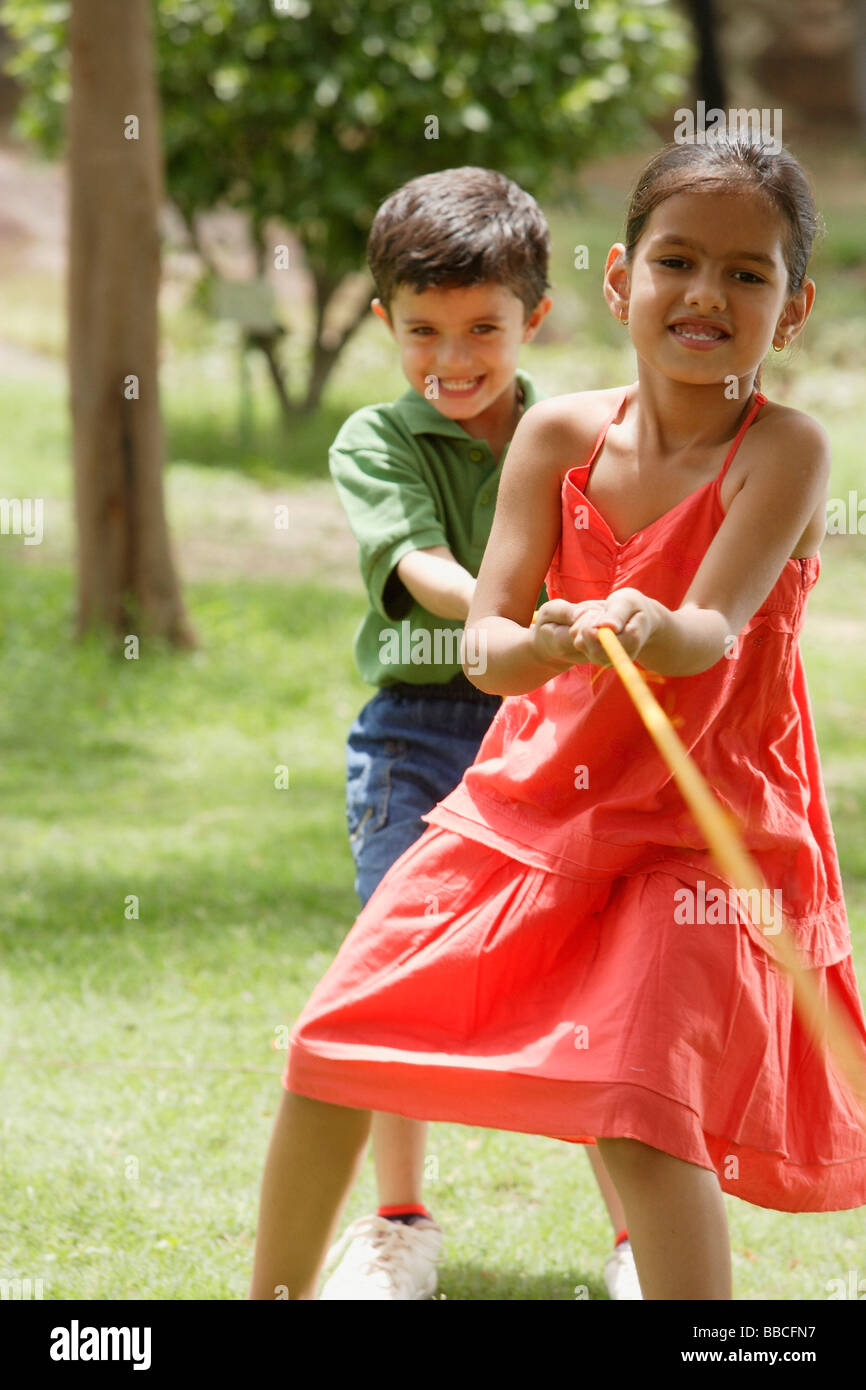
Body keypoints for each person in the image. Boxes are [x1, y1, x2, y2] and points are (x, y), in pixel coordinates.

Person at [250, 135, 866, 1302]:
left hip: (695, 824)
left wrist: (647, 620)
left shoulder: (782, 449)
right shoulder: (557, 435)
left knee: (638, 1106)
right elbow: (484, 641)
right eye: (676, 261)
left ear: (792, 311)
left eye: (747, 274)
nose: (705, 294)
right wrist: (530, 643)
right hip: (527, 802)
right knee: (333, 1049)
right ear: (621, 282)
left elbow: (709, 630)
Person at [318, 166, 638, 1299]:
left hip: (552, 730)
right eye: (421, 331)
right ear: (382, 324)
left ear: (533, 318)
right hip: (414, 730)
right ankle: (398, 1223)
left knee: (603, 978)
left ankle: (633, 1239)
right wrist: (513, 610)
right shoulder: (375, 438)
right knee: (393, 970)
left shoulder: (578, 434)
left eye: (481, 329)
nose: (450, 357)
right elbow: (420, 568)